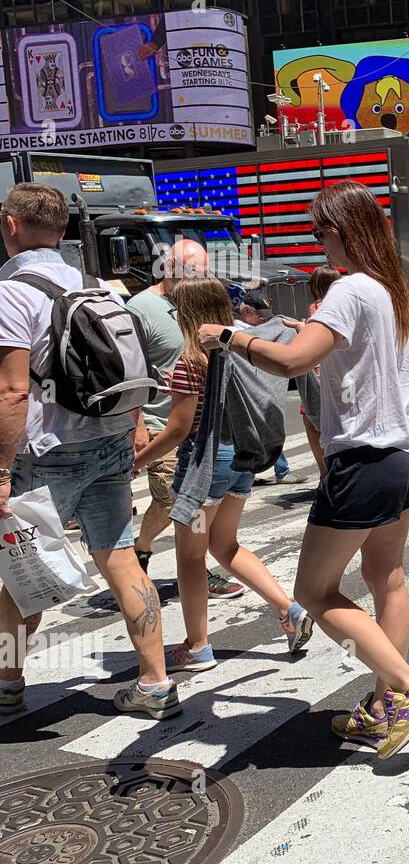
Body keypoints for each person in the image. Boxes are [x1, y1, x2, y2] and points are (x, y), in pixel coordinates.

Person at [198, 179, 409, 760]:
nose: (318, 241)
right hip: (404, 453)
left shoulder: (348, 289)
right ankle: (386, 705)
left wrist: (229, 335)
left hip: (363, 458)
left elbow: (293, 362)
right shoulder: (390, 289)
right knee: (388, 577)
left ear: (343, 230)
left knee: (313, 589)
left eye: (321, 231)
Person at [0, 183, 178, 720]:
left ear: (11, 225)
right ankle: (155, 683)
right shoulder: (100, 285)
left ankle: (8, 683)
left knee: (20, 567)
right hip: (108, 440)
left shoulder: (11, 293)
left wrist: (1, 469)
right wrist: (133, 429)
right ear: (64, 230)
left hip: (46, 451)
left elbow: (12, 391)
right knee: (121, 558)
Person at [134, 278, 310, 672]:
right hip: (242, 456)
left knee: (190, 559)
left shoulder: (190, 360)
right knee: (225, 545)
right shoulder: (240, 349)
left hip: (206, 464)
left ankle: (197, 646)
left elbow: (179, 429)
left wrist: (140, 460)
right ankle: (289, 609)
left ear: (189, 313)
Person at [127, 239, 244, 600]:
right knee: (173, 502)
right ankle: (178, 563)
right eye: (194, 270)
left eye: (204, 270)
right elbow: (131, 369)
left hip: (203, 431)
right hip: (165, 425)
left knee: (184, 505)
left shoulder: (201, 300)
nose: (201, 276)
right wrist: (138, 424)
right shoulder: (140, 308)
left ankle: (144, 549)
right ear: (170, 268)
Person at [233, 292, 307, 487]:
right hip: (249, 387)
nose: (264, 320)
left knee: (269, 422)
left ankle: (279, 469)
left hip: (263, 384)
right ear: (247, 311)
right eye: (261, 316)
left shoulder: (253, 330)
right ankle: (273, 469)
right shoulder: (237, 332)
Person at [300, 265, 342, 476]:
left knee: (312, 421)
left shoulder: (317, 308)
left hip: (320, 371)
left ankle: (324, 473)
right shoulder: (344, 305)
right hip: (342, 373)